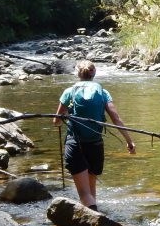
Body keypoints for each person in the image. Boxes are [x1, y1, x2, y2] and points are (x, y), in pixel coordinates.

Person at [54, 60, 135, 210]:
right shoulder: (103, 92)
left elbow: (56, 122)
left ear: (77, 74)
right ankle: (95, 219)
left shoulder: (69, 92)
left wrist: (64, 116)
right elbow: (116, 119)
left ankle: (95, 224)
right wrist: (129, 142)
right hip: (96, 144)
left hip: (75, 144)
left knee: (85, 194)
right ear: (94, 73)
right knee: (91, 191)